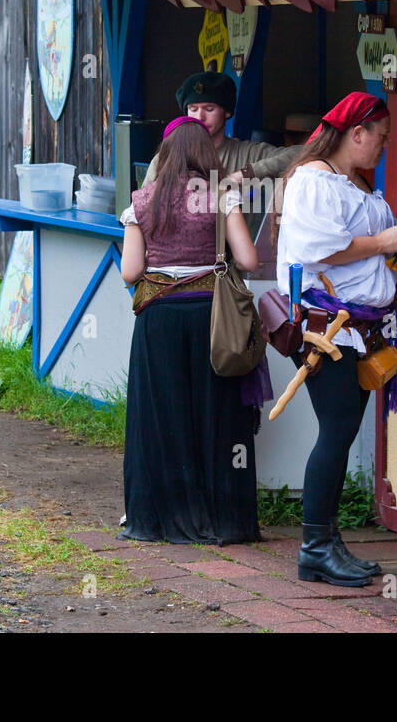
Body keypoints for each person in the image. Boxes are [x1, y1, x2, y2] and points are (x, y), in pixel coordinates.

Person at [276, 92, 397, 587]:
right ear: (355, 133)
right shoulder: (313, 182)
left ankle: (326, 543)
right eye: (379, 137)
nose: (384, 147)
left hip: (357, 333)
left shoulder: (355, 187)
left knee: (339, 436)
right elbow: (314, 249)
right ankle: (315, 548)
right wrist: (382, 243)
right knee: (336, 435)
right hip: (330, 331)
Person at [119, 116, 264, 545]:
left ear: (165, 154)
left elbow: (131, 272)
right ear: (207, 154)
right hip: (212, 319)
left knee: (160, 417)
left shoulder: (142, 200)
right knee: (216, 416)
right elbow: (250, 260)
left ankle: (154, 520)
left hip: (159, 321)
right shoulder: (221, 196)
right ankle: (224, 521)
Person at [144, 72, 302, 232]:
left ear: (226, 112)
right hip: (178, 254)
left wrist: (245, 174)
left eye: (209, 109)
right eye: (193, 109)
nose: (200, 117)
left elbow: (302, 152)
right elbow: (142, 208)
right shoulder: (167, 158)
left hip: (234, 254)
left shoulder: (246, 153)